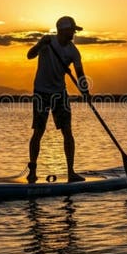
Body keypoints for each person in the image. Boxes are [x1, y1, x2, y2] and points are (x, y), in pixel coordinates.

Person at [27, 15, 91, 184]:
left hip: (60, 94)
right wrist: (40, 44)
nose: (74, 34)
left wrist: (86, 93)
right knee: (38, 132)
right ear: (64, 30)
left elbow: (80, 73)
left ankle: (71, 172)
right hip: (41, 92)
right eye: (72, 30)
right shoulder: (48, 43)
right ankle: (32, 171)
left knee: (67, 132)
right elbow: (29, 55)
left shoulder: (73, 51)